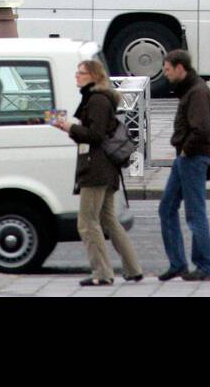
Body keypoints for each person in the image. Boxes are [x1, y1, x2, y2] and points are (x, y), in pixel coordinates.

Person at [53, 58, 143, 287]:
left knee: (86, 222)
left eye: (81, 73)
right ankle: (133, 269)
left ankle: (102, 273)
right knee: (109, 220)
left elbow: (95, 135)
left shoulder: (97, 100)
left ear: (93, 76)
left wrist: (68, 126)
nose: (77, 76)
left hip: (96, 168)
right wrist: (70, 128)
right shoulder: (98, 99)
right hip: (105, 167)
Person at [158, 49, 210, 282]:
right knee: (166, 208)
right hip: (185, 157)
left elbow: (202, 128)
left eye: (168, 69)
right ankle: (178, 263)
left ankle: (204, 266)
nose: (165, 74)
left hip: (193, 157)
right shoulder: (189, 89)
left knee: (195, 213)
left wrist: (185, 150)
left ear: (180, 68)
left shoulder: (197, 91)